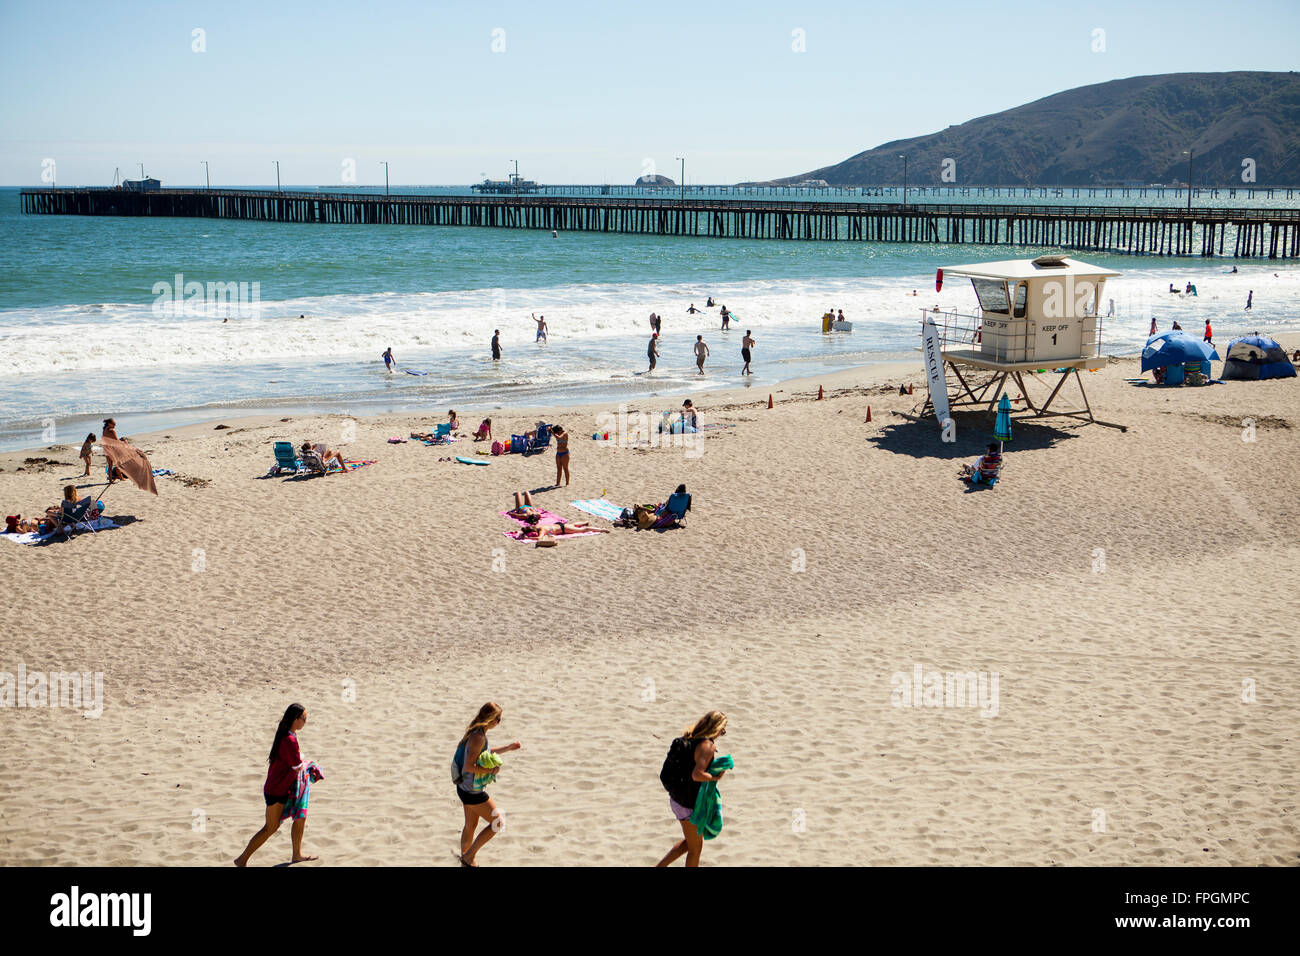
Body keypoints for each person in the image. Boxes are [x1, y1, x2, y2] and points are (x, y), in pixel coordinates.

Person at [234, 703, 318, 866]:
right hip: (277, 790)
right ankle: (242, 859)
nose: (305, 722)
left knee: (301, 816)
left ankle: (297, 854)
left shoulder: (287, 734)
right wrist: (306, 763)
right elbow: (296, 766)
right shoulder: (289, 739)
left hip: (283, 787)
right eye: (304, 719)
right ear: (295, 719)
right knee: (270, 827)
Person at [655, 710, 729, 867]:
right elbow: (697, 775)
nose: (723, 733)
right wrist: (714, 777)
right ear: (716, 728)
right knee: (696, 848)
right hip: (688, 804)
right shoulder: (707, 746)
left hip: (676, 798)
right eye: (723, 730)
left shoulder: (689, 737)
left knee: (691, 842)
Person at [452, 702, 521, 867]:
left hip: (464, 788)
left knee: (471, 824)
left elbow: (484, 752)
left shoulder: (476, 732)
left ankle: (466, 859)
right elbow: (470, 766)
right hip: (473, 791)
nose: (499, 721)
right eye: (498, 718)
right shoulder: (479, 737)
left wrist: (508, 748)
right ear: (490, 718)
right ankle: (469, 857)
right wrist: (491, 771)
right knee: (498, 823)